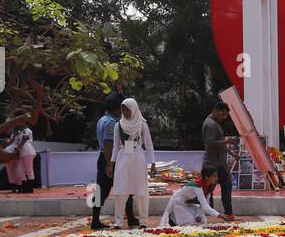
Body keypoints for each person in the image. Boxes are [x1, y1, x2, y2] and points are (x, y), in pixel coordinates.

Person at [107, 97, 155, 228]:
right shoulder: (118, 125)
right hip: (123, 158)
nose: (125, 113)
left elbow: (149, 145)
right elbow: (115, 147)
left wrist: (153, 163)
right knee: (120, 190)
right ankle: (118, 222)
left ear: (133, 109)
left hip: (138, 157)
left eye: (127, 110)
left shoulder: (142, 125)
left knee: (141, 190)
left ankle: (143, 221)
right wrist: (111, 164)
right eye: (123, 110)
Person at [91, 94, 132, 229]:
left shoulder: (103, 119)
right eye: (122, 108)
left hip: (103, 157)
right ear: (117, 108)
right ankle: (131, 218)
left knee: (100, 190)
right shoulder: (112, 123)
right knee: (124, 187)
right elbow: (109, 144)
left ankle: (95, 219)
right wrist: (110, 164)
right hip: (110, 158)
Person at [202, 101, 237, 219]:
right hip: (213, 162)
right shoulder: (211, 125)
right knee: (206, 189)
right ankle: (198, 213)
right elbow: (210, 143)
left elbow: (219, 143)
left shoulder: (214, 123)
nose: (224, 118)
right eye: (223, 115)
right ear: (216, 111)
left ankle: (228, 212)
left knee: (224, 185)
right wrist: (226, 141)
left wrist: (231, 153)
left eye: (226, 115)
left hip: (218, 161)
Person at [159, 165, 223, 227]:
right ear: (207, 177)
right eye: (214, 176)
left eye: (217, 176)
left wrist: (198, 215)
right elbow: (205, 205)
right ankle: (172, 218)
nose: (217, 178)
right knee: (192, 224)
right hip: (179, 204)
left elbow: (203, 203)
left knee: (203, 222)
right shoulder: (196, 185)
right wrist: (219, 215)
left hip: (191, 205)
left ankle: (176, 219)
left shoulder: (210, 186)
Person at [4, 125, 36, 193]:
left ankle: (30, 189)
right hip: (22, 153)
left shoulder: (27, 130)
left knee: (29, 170)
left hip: (28, 151)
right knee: (19, 170)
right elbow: (12, 141)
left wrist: (17, 148)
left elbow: (24, 140)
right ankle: (25, 187)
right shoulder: (19, 132)